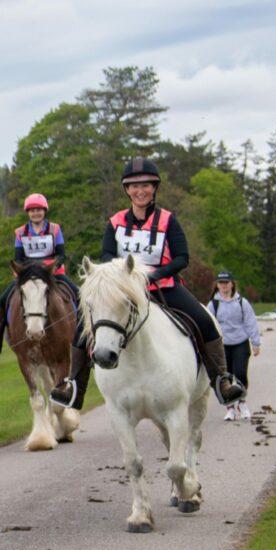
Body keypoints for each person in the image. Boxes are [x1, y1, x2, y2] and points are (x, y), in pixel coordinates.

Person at [50, 157, 246, 408]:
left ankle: (222, 379)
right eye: (133, 186)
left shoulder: (167, 220)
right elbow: (108, 256)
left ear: (154, 188)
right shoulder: (115, 222)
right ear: (127, 190)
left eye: (145, 185)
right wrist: (123, 278)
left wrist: (149, 276)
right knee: (83, 327)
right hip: (124, 291)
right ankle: (74, 386)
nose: (139, 190)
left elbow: (182, 257)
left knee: (205, 321)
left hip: (163, 287)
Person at [0, 192, 79, 354]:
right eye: (32, 210)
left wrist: (51, 267)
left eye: (39, 210)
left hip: (52, 273)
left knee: (79, 294)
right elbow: (18, 258)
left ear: (45, 211)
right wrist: (24, 271)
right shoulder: (20, 232)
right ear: (28, 213)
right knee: (3, 298)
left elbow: (61, 254)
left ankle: (85, 335)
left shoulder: (55, 229)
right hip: (28, 275)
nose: (36, 213)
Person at [208, 271, 260, 421]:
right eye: (220, 283)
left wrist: (256, 342)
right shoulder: (213, 304)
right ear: (217, 285)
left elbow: (250, 322)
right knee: (226, 378)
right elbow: (208, 324)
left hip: (240, 343)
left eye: (226, 283)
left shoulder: (241, 302)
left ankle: (242, 403)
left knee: (241, 374)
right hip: (222, 345)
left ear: (232, 283)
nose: (223, 286)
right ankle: (230, 408)